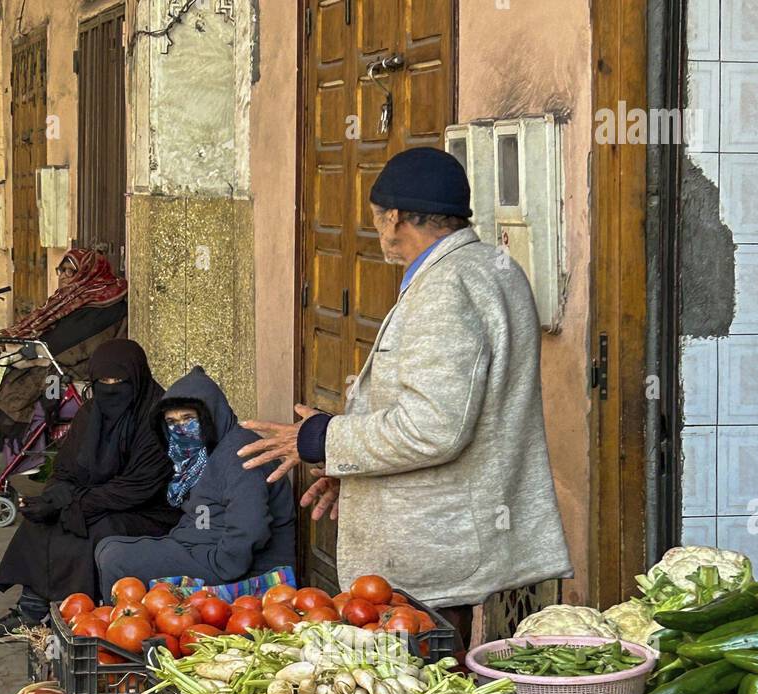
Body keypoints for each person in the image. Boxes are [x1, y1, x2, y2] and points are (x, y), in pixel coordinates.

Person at [237, 146, 571, 645]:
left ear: (393, 218)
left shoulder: (445, 287)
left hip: (436, 540)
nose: (379, 234)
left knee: (425, 687)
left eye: (376, 221)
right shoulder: (493, 266)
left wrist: (320, 440)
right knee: (443, 681)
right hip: (460, 527)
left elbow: (434, 426)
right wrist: (350, 465)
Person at [0, 340, 178, 643]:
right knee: (43, 520)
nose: (110, 389)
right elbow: (66, 468)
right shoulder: (92, 412)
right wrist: (55, 498)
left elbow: (138, 486)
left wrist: (75, 504)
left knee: (90, 528)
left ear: (138, 377)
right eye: (102, 382)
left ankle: (75, 618)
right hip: (95, 498)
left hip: (147, 508)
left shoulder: (156, 417)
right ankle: (30, 614)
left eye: (119, 382)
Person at [94, 366, 295, 601]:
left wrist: (220, 565)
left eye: (189, 418)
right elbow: (204, 517)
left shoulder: (240, 451)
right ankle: (123, 621)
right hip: (201, 547)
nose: (181, 428)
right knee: (106, 544)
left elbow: (250, 525)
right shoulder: (203, 453)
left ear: (210, 415)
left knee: (116, 558)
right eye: (172, 422)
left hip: (239, 565)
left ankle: (120, 629)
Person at [0, 248, 128, 522]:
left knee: (8, 404)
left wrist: (34, 357)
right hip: (56, 372)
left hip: (77, 381)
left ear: (87, 273)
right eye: (61, 270)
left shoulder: (104, 305)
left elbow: (78, 349)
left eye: (71, 271)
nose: (63, 276)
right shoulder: (70, 299)